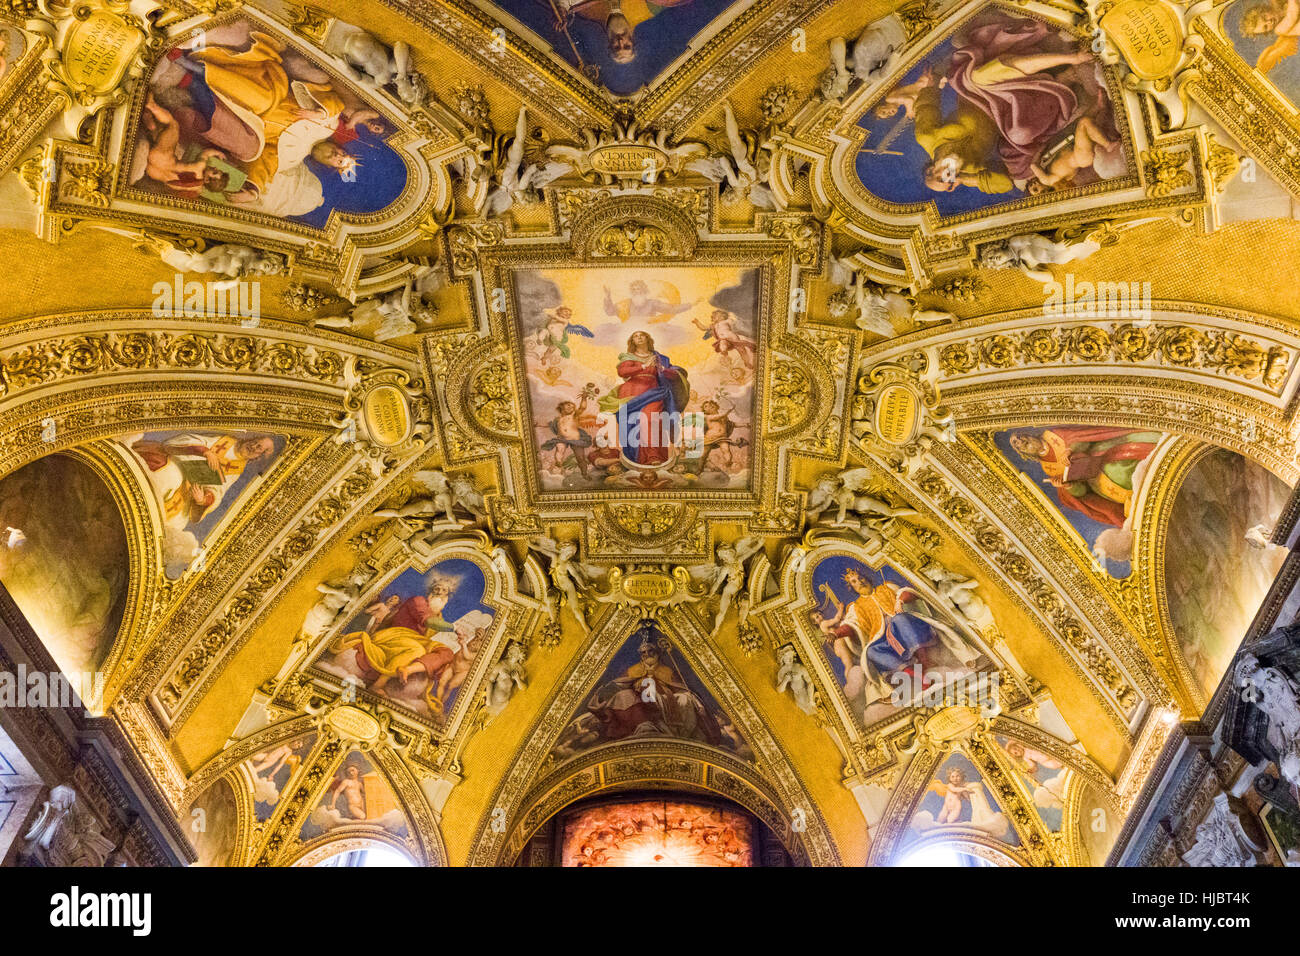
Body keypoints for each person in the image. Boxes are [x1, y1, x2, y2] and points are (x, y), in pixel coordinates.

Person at [1008, 426, 1159, 528]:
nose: (1021, 442)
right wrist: (1067, 486)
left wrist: (1071, 450)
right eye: (1018, 444)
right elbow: (1081, 492)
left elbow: (1083, 437)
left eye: (1021, 437)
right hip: (1097, 482)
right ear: (1024, 452)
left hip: (1101, 455)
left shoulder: (1054, 435)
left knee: (1127, 470)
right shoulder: (1048, 468)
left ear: (1029, 434)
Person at [131, 434, 275, 525]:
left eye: (258, 448)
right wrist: (204, 451)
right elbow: (188, 439)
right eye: (256, 441)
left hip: (192, 484)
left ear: (258, 456)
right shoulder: (226, 440)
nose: (253, 446)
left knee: (177, 521)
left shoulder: (237, 469)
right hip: (178, 460)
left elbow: (218, 490)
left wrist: (202, 499)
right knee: (169, 477)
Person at [597, 331, 689, 465]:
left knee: (651, 419)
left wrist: (662, 369)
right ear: (632, 341)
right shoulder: (628, 357)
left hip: (654, 391)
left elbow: (675, 375)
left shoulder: (659, 358)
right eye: (635, 336)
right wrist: (644, 366)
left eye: (642, 335)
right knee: (632, 424)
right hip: (631, 393)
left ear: (648, 338)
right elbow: (622, 371)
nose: (639, 337)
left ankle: (653, 456)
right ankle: (635, 458)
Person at [559, 0, 697, 65]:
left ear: (609, 45)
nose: (620, 42)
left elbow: (565, 2)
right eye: (626, 46)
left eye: (616, 47)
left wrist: (562, 9)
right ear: (632, 40)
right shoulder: (649, 9)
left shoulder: (588, 13)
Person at [1240, 0, 1300, 73]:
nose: (1269, 22)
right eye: (1266, 27)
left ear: (1264, 9)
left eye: (1264, 17)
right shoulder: (1279, 29)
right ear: (1266, 32)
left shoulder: (1276, 3)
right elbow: (1292, 16)